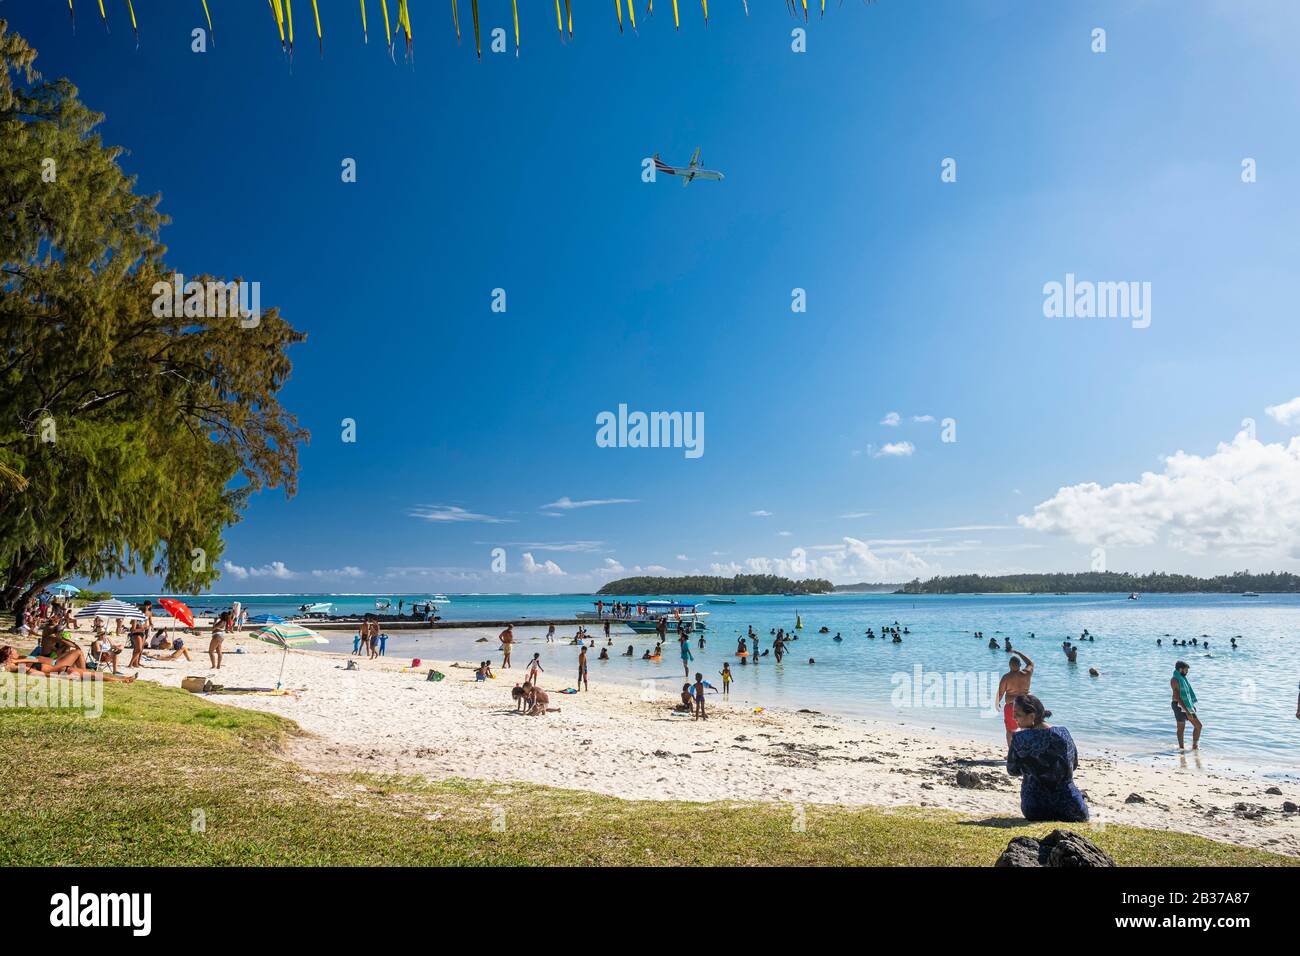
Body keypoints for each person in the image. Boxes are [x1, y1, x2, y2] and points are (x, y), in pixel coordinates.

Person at [1006, 694, 1089, 822]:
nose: (1014, 718)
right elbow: (1074, 764)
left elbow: (1012, 770)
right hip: (1071, 808)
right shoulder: (1063, 733)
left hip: (1035, 808)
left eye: (1017, 714)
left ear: (1032, 716)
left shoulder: (1019, 739)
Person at [995, 651, 1035, 748]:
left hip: (1011, 707)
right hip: (1026, 705)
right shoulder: (1027, 673)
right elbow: (1030, 663)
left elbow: (1000, 693)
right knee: (1026, 729)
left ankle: (1011, 753)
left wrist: (997, 703)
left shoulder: (1006, 677)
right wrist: (1018, 652)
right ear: (1020, 665)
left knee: (1010, 730)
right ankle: (1026, 750)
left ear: (1009, 665)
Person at [1171, 661, 1202, 750]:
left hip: (1186, 706)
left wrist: (1191, 706)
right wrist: (1187, 710)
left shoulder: (1183, 679)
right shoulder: (1175, 680)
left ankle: (1194, 746)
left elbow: (1187, 695)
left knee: (1198, 726)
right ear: (1180, 669)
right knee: (1181, 728)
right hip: (1178, 705)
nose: (1187, 672)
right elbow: (1177, 697)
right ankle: (1181, 748)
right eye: (1186, 670)